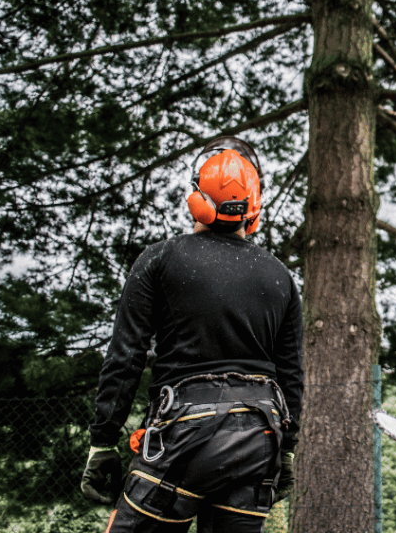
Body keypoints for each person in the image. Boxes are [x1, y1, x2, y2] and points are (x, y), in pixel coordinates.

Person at [81, 136, 304, 532]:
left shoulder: (161, 258)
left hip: (183, 436)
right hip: (258, 441)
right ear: (254, 211)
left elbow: (126, 356)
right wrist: (286, 451)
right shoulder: (280, 277)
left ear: (197, 200)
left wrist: (103, 441)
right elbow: (291, 375)